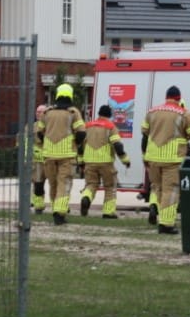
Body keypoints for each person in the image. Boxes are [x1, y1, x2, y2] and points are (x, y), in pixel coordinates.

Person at [141, 86, 190, 235]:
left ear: (166, 97)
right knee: (171, 190)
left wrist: (145, 156)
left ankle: (161, 215)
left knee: (158, 188)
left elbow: (145, 135)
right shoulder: (184, 114)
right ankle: (166, 224)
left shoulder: (152, 112)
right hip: (172, 158)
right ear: (179, 98)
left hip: (152, 157)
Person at [35, 84, 85, 225]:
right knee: (64, 182)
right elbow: (81, 132)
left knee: (53, 183)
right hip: (67, 154)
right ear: (70, 95)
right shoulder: (73, 112)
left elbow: (39, 132)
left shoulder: (47, 112)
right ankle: (60, 212)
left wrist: (47, 142)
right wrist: (76, 143)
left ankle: (54, 208)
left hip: (49, 154)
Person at [79, 104, 132, 218]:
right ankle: (108, 212)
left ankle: (86, 198)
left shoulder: (87, 126)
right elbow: (118, 146)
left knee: (91, 184)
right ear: (110, 115)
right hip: (105, 162)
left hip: (89, 161)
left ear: (99, 113)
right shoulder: (111, 127)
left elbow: (80, 145)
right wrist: (125, 160)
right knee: (110, 186)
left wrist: (80, 161)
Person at [29, 102, 49, 214]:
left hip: (50, 158)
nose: (38, 113)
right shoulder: (31, 126)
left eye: (41, 111)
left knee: (56, 183)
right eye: (37, 111)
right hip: (37, 160)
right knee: (37, 183)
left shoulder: (50, 126)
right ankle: (38, 205)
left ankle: (59, 205)